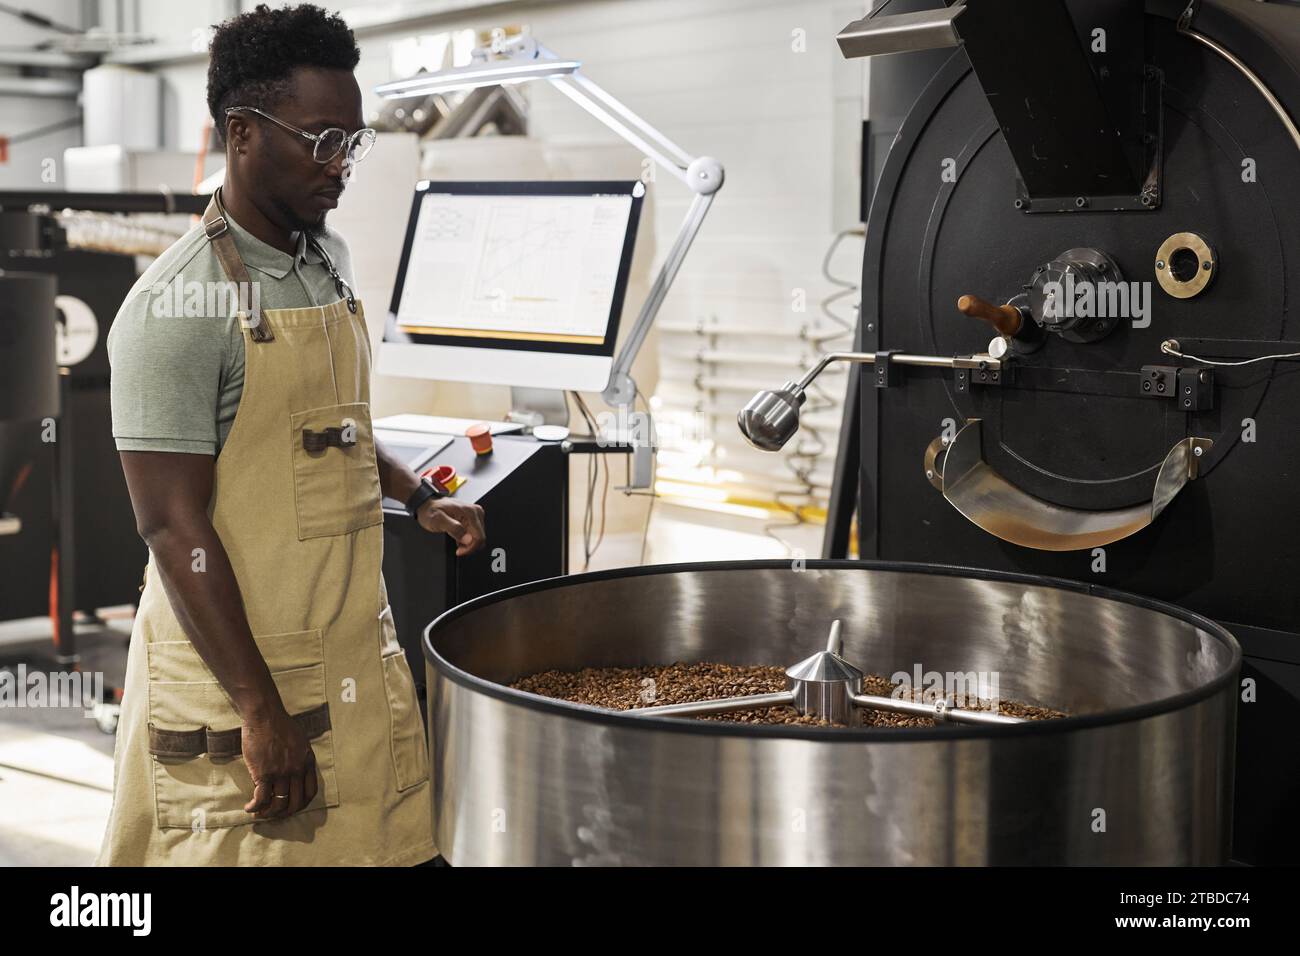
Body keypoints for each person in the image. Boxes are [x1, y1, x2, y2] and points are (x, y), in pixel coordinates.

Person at [97, 3, 484, 866]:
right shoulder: (175, 309)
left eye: (353, 140)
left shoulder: (325, 263)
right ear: (241, 131)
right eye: (320, 140)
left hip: (350, 663)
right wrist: (258, 710)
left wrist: (419, 496)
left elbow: (328, 432)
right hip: (247, 696)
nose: (341, 164)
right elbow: (169, 525)